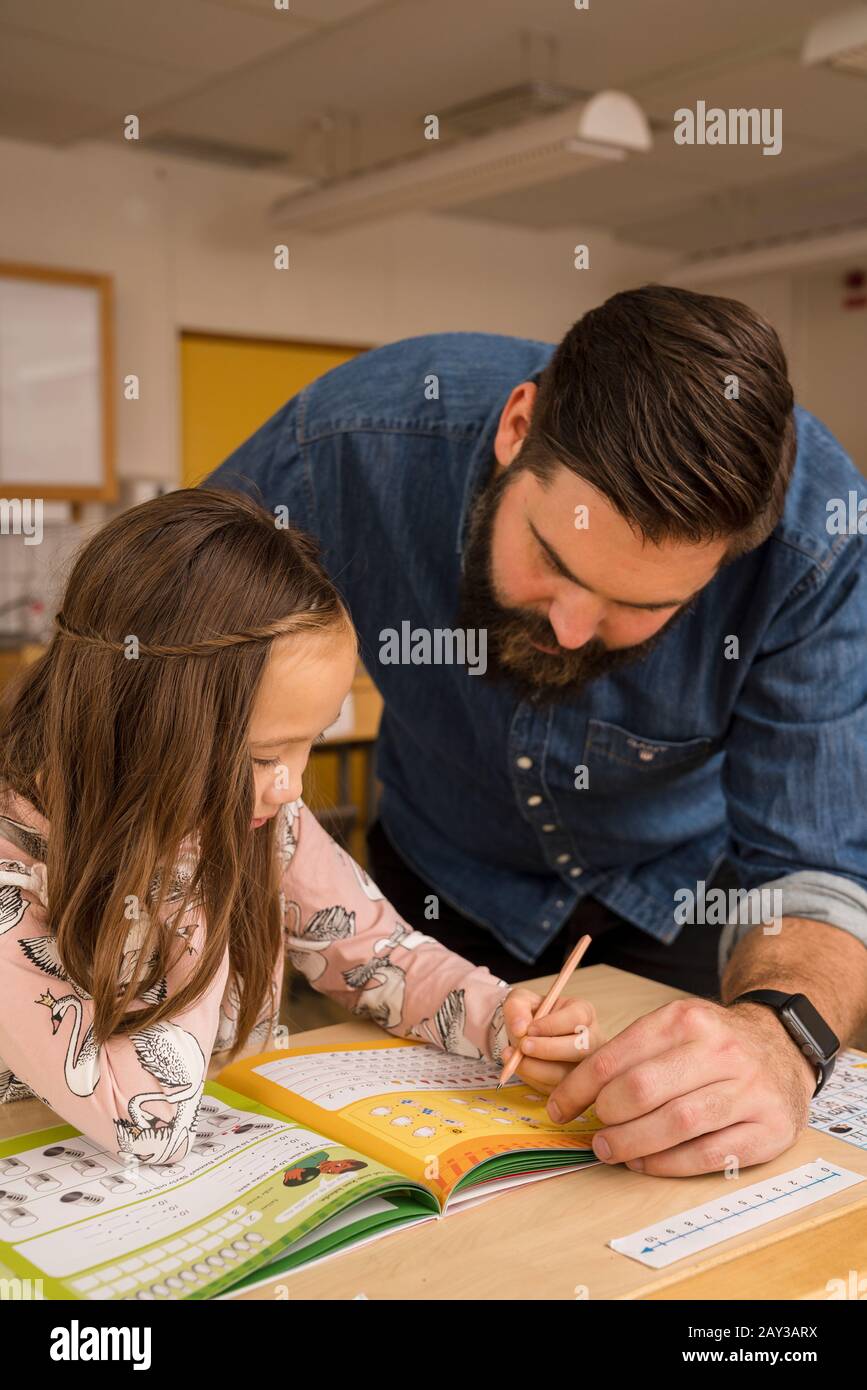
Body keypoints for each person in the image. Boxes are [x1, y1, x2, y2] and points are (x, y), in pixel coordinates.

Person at [204, 285, 867, 1176]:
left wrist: (776, 1036)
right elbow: (159, 648)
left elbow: (811, 861)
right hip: (430, 891)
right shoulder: (346, 447)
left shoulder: (816, 543)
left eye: (641, 606)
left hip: (670, 904)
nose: (567, 629)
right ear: (518, 429)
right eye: (552, 561)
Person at [0, 489, 599, 1166]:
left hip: (227, 1160)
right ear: (142, 724)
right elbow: (146, 1123)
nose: (289, 788)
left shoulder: (256, 810)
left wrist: (497, 1017)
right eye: (262, 757)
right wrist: (185, 861)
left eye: (308, 743)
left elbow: (375, 955)